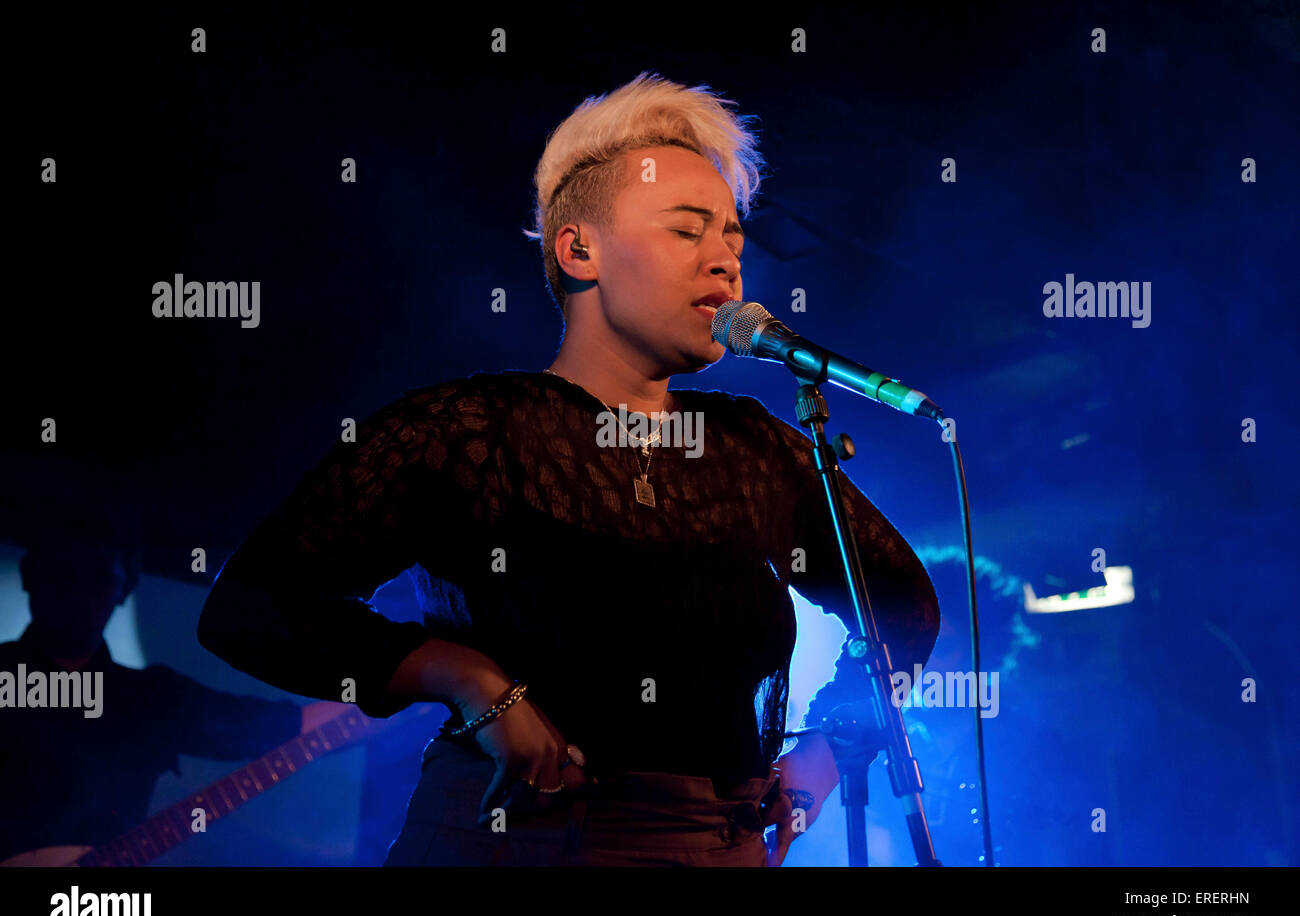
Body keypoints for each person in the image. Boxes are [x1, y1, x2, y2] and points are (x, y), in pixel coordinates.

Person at [197, 72, 939, 866]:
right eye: (689, 231)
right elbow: (252, 605)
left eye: (732, 236)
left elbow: (902, 610)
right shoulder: (469, 430)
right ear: (579, 248)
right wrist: (465, 678)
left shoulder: (755, 448)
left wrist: (823, 757)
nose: (727, 261)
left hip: (717, 847)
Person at [0, 524, 344, 864]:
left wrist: (380, 699)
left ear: (124, 588)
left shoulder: (151, 697)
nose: (78, 594)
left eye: (99, 579)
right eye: (62, 573)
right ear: (32, 576)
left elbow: (274, 727)